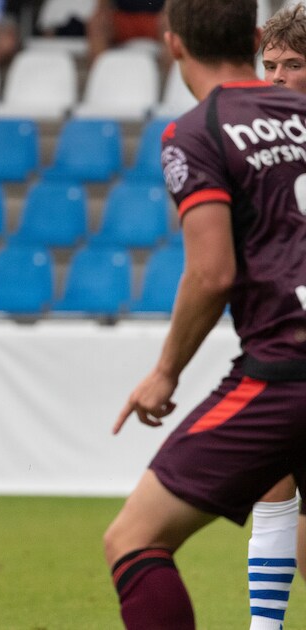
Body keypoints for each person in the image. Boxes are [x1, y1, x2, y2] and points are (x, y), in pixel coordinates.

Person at [105, 1, 306, 628]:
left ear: (172, 46)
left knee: (134, 538)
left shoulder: (197, 131)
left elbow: (212, 272)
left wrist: (165, 371)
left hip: (288, 365)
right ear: (251, 40)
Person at [237, 7, 306, 627]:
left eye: (294, 64)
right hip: (284, 337)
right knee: (273, 484)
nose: (278, 76)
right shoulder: (259, 145)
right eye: (271, 64)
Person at [87, 0, 165, 62]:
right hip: (123, 20)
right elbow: (102, 7)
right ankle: (103, 75)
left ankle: (173, 78)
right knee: (97, 23)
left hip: (156, 21)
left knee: (171, 23)